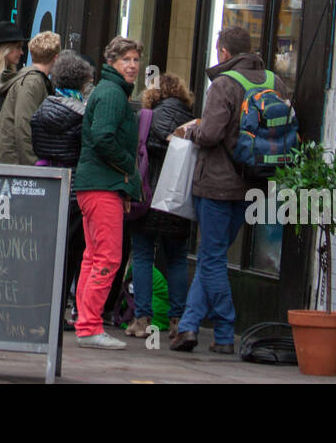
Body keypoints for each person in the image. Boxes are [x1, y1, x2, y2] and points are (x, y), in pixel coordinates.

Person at [171, 26, 287, 355]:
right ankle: (190, 327)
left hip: (218, 185)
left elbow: (209, 135)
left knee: (211, 258)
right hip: (254, 183)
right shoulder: (273, 81)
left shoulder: (224, 84)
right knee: (214, 255)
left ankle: (224, 330)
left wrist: (189, 132)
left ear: (224, 53)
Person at [72, 36, 143, 350]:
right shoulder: (113, 93)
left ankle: (86, 323)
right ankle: (89, 326)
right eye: (126, 59)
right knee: (108, 257)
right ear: (112, 62)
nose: (132, 66)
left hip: (96, 184)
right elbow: (102, 137)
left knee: (93, 256)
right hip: (102, 186)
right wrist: (128, 166)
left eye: (136, 60)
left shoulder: (108, 90)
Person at [125, 73, 195, 340]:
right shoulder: (191, 121)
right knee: (177, 257)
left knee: (143, 254)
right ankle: (178, 322)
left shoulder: (145, 118)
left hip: (147, 195)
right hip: (177, 198)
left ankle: (142, 320)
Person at [30, 49, 95, 328]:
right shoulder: (82, 116)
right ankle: (59, 312)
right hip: (72, 185)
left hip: (46, 180)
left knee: (47, 249)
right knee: (71, 252)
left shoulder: (43, 109)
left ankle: (40, 306)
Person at [0, 30, 59, 165]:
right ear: (56, 58)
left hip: (11, 161)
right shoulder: (33, 82)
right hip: (14, 163)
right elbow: (23, 125)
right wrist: (33, 165)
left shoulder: (31, 79)